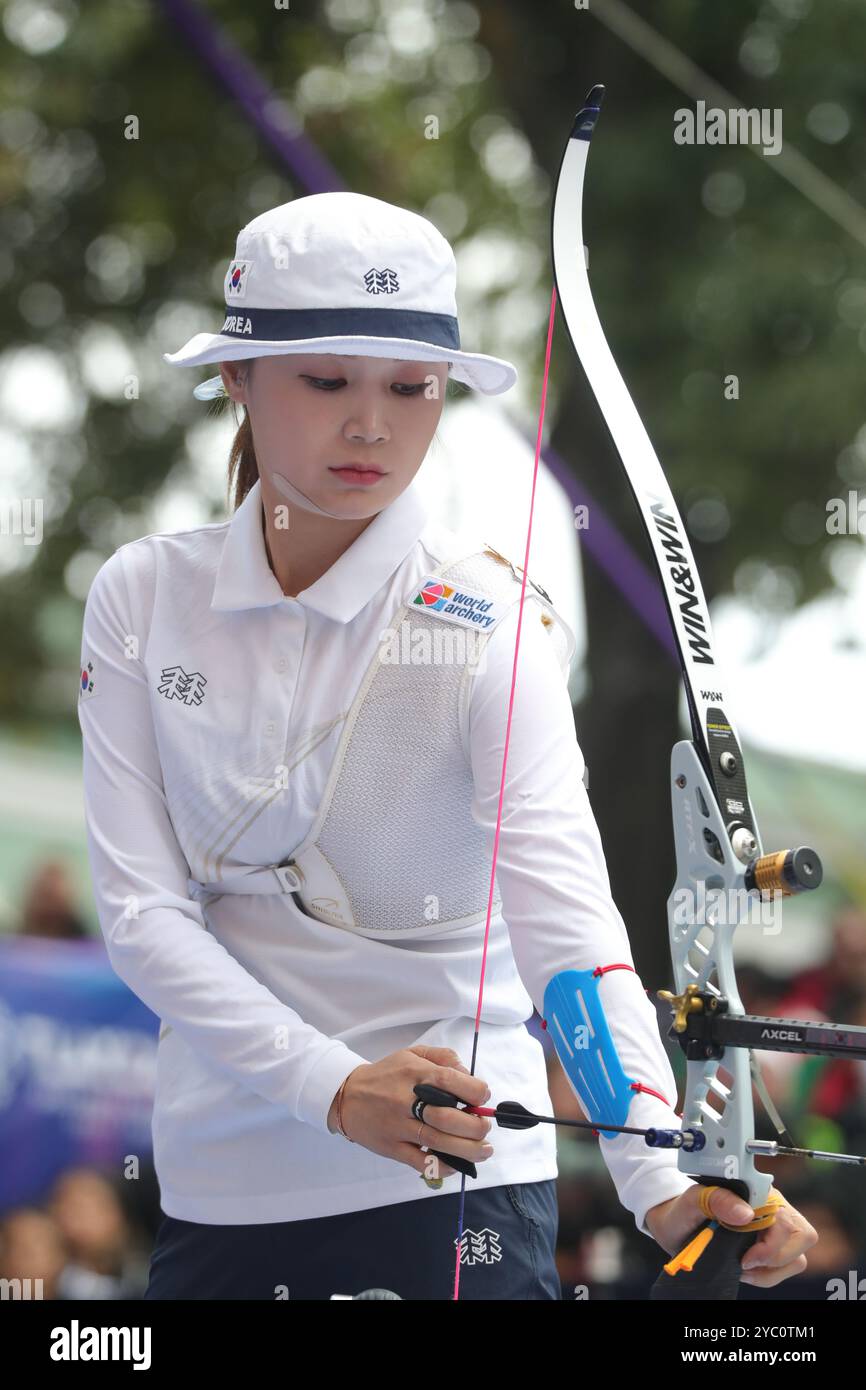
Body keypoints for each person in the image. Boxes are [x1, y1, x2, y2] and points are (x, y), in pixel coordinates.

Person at [78, 191, 815, 1299]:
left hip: (454, 1191)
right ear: (236, 377)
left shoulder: (484, 622)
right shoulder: (141, 594)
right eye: (326, 380)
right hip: (219, 1189)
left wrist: (659, 1174)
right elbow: (139, 915)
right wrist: (332, 1086)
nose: (371, 424)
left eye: (410, 387)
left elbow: (567, 928)